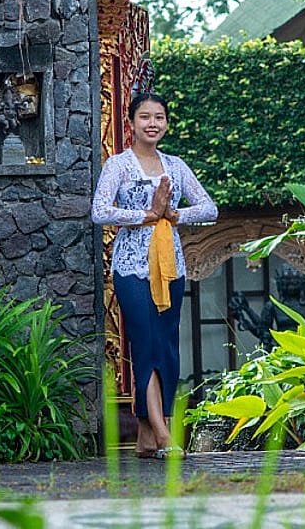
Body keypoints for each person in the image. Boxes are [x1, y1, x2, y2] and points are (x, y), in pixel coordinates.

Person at [91, 93, 217, 459]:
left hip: (170, 266)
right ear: (130, 123)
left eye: (159, 117)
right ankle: (163, 434)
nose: (152, 123)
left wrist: (175, 215)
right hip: (132, 267)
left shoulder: (175, 166)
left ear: (166, 123)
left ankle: (147, 437)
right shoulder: (119, 165)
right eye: (144, 117)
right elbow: (99, 211)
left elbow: (210, 207)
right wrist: (146, 214)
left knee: (166, 348)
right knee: (145, 344)